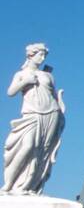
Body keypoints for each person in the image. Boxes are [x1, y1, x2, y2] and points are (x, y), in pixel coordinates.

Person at [2, 43, 66, 195]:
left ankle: (30, 186)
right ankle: (9, 184)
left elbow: (53, 95)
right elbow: (10, 92)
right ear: (31, 55)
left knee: (43, 151)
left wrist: (60, 105)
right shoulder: (21, 74)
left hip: (51, 113)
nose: (42, 58)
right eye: (40, 55)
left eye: (44, 55)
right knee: (27, 147)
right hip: (32, 114)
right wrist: (25, 82)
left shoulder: (48, 75)